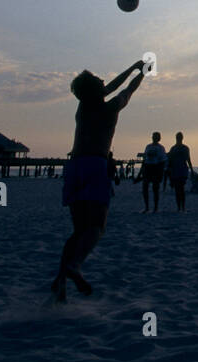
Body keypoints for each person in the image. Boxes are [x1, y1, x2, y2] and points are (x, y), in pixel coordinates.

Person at [52, 59, 145, 302]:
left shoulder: (83, 107)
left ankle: (61, 280)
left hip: (74, 166)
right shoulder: (110, 108)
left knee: (78, 230)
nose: (103, 80)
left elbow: (112, 85)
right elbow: (126, 91)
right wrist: (141, 72)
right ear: (96, 89)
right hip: (95, 164)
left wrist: (132, 66)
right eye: (98, 79)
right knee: (96, 227)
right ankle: (75, 266)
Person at [140, 131, 167, 213]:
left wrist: (160, 172)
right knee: (145, 188)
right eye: (153, 136)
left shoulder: (161, 148)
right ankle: (147, 207)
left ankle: (155, 207)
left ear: (159, 138)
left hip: (156, 168)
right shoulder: (148, 146)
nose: (154, 138)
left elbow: (162, 161)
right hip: (148, 168)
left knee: (155, 189)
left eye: (155, 136)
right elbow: (144, 160)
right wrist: (141, 172)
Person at [167, 132, 192, 212]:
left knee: (181, 189)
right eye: (178, 137)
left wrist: (191, 169)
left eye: (179, 137)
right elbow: (170, 160)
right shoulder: (173, 148)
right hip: (175, 170)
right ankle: (179, 207)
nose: (178, 139)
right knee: (178, 189)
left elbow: (188, 159)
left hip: (182, 170)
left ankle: (182, 207)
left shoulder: (185, 148)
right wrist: (169, 171)